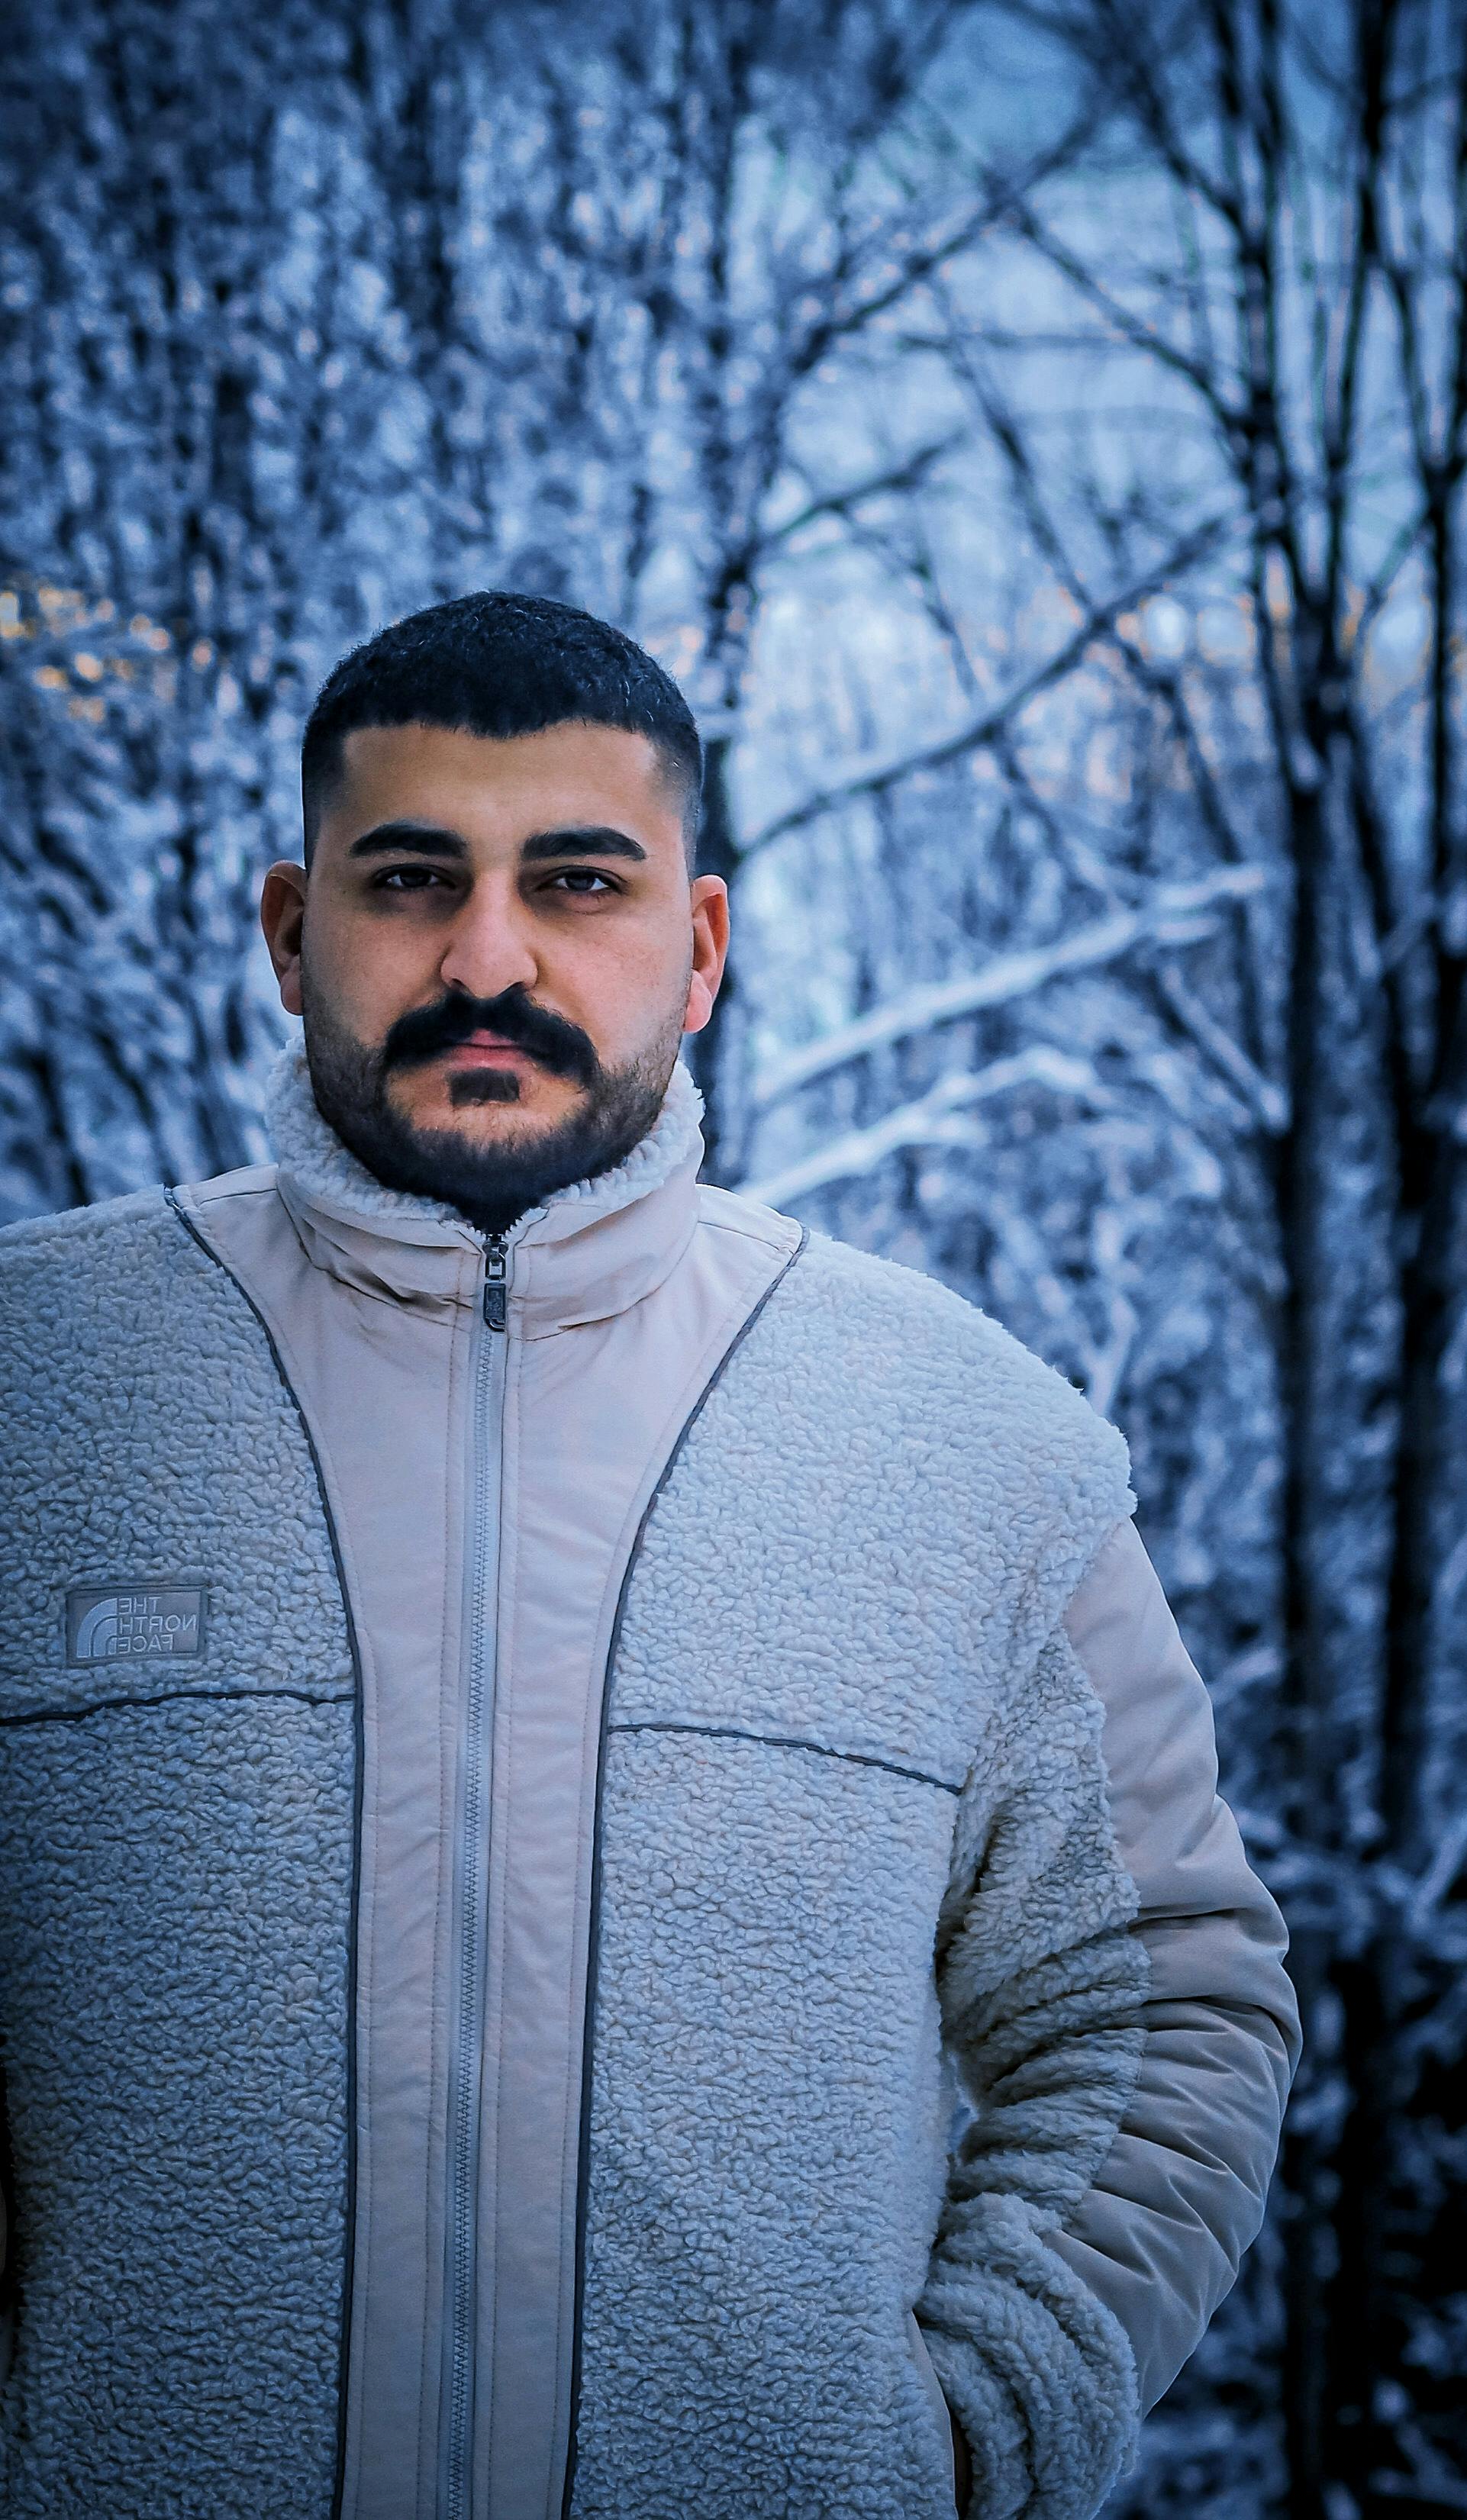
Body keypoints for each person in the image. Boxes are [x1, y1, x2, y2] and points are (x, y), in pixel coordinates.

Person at [0, 592, 1298, 2520]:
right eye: (411, 876)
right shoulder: (41, 1383)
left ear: (695, 952)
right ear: (291, 933)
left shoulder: (967, 1446)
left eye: (578, 881)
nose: (488, 955)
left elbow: (1164, 1995)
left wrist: (955, 2439)